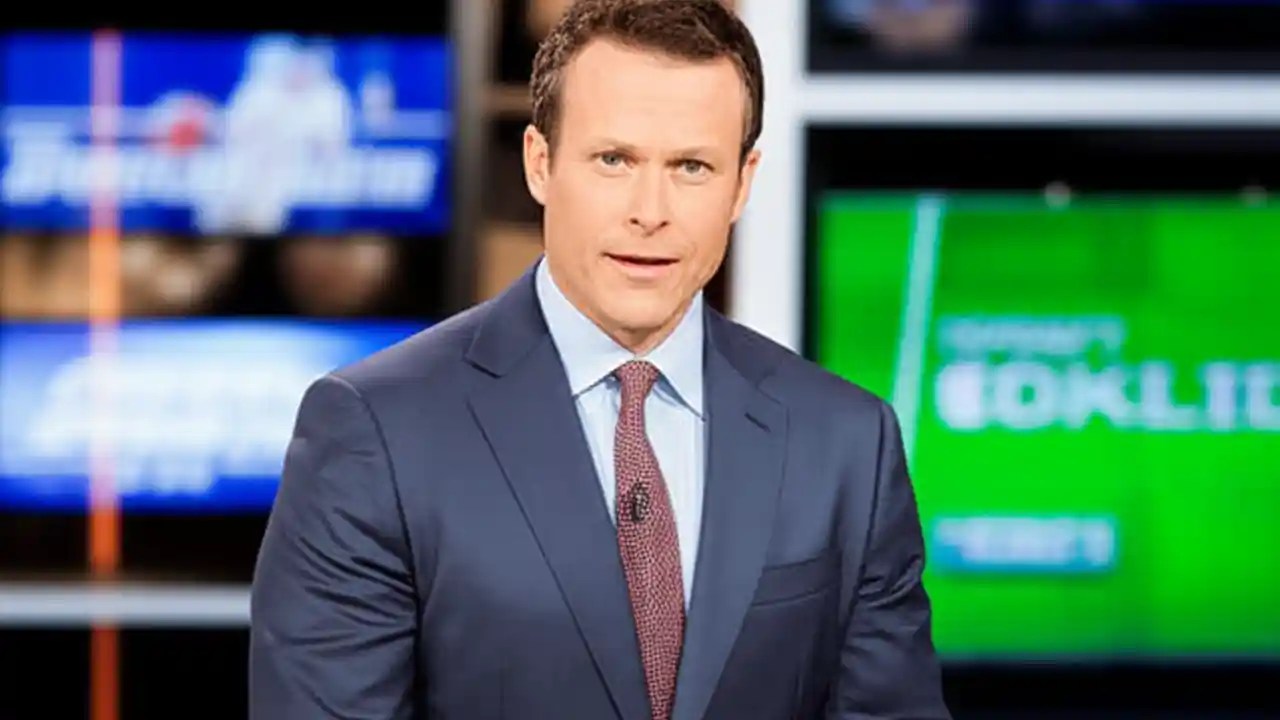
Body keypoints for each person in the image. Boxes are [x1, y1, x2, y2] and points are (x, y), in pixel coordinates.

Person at [248, 1, 952, 718]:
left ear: (742, 184)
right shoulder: (376, 431)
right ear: (540, 164)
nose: (651, 209)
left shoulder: (846, 444)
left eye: (692, 166)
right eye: (614, 160)